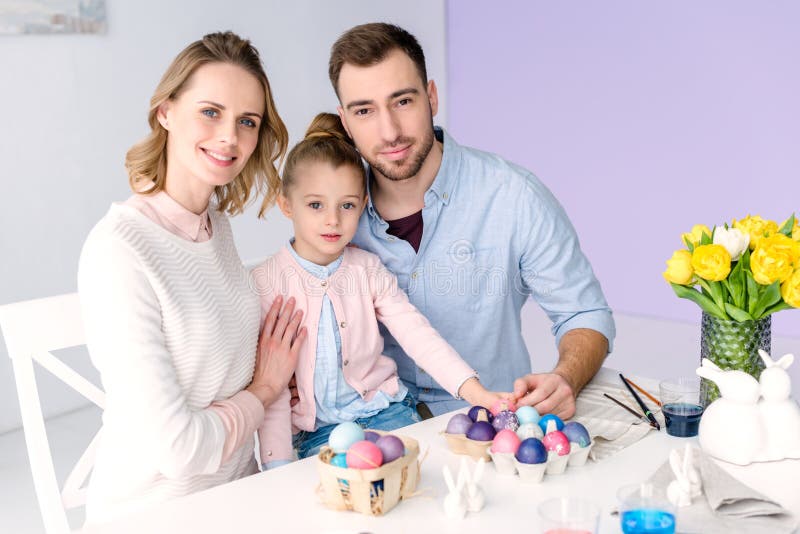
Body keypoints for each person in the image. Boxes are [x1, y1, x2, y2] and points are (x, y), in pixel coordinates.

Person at [324, 23, 616, 419]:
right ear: (345, 121)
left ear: (431, 97)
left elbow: (584, 314)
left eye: (403, 102)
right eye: (364, 111)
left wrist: (565, 378)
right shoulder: (331, 218)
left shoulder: (514, 196)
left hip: (493, 426)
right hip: (375, 442)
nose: (389, 131)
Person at [78, 32, 305, 523]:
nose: (230, 137)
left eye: (248, 121)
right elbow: (178, 450)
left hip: (242, 496)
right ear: (165, 111)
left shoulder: (215, 227)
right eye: (211, 111)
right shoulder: (119, 250)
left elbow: (218, 355)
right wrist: (264, 390)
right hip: (156, 515)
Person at [253, 113, 506, 464]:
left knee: (422, 478)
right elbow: (275, 389)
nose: (332, 220)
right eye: (315, 205)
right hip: (320, 432)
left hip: (387, 411)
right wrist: (276, 468)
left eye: (347, 205)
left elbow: (417, 334)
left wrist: (477, 393)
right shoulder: (266, 282)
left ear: (363, 206)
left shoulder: (366, 269)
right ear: (286, 204)